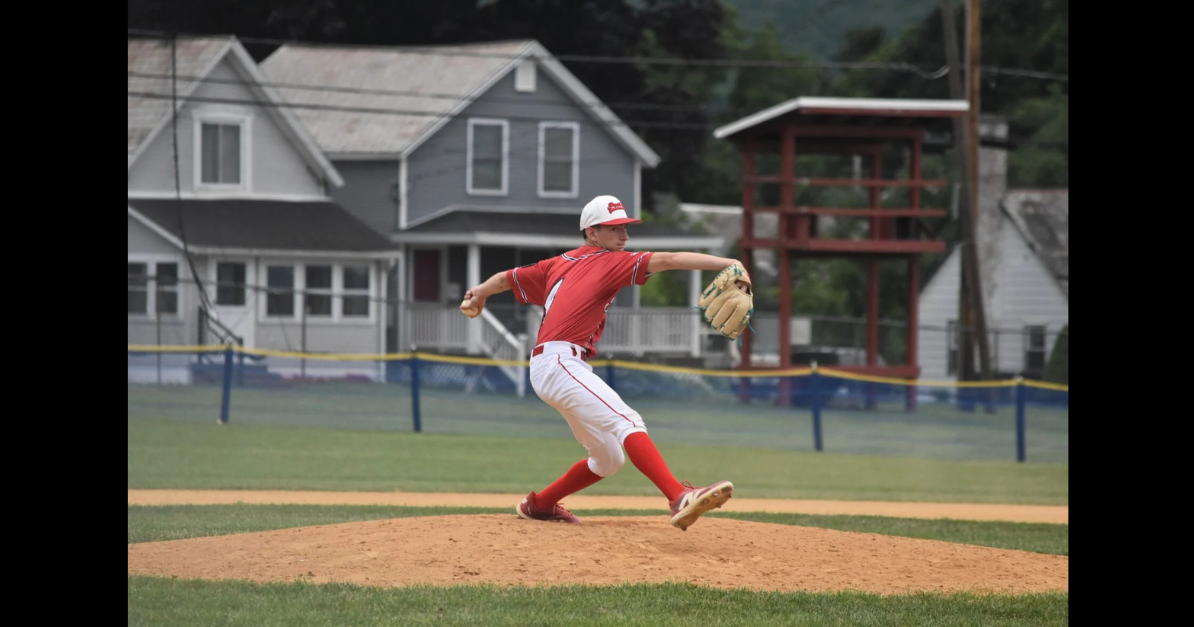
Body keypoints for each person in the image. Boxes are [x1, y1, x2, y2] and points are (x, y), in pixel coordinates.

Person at [459, 195, 749, 531]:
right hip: (560, 363)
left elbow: (504, 279)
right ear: (591, 233)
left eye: (624, 227)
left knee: (608, 459)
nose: (623, 235)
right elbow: (669, 259)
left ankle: (539, 505)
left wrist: (478, 293)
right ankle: (678, 496)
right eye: (613, 228)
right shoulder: (609, 261)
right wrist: (730, 263)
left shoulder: (558, 263)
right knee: (627, 419)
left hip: (553, 366)